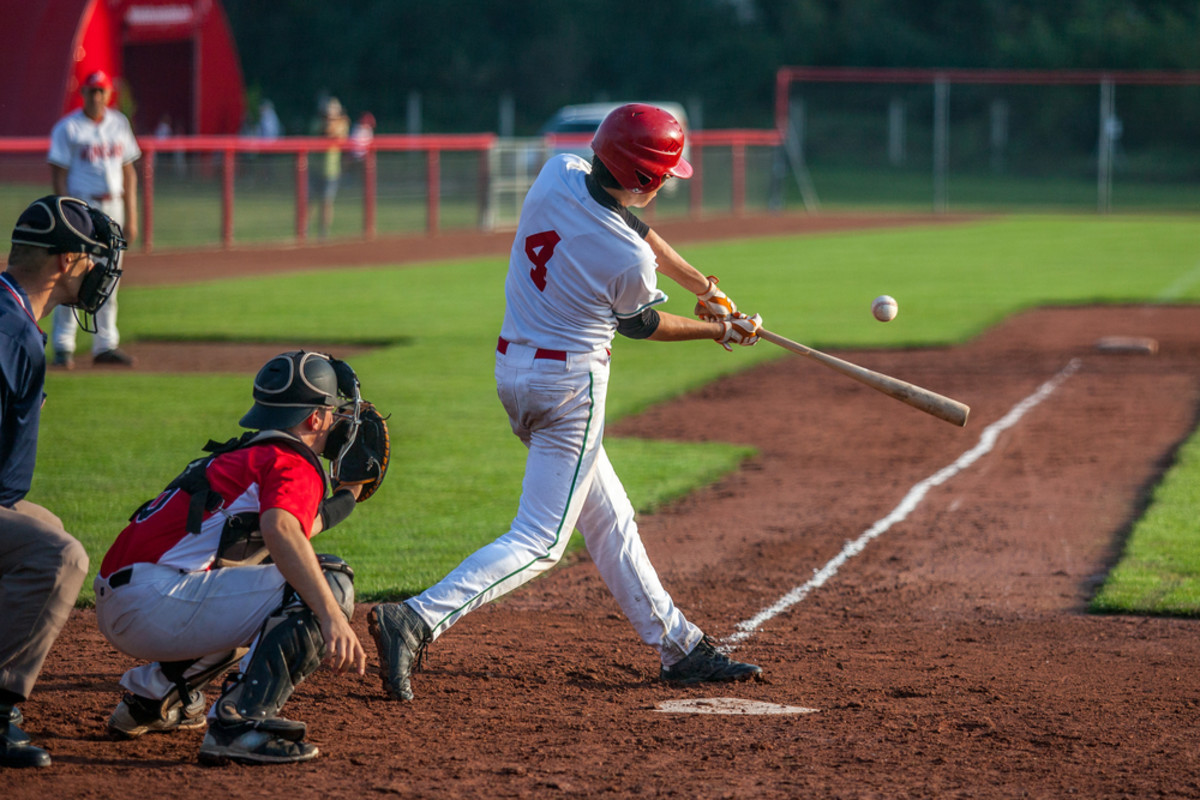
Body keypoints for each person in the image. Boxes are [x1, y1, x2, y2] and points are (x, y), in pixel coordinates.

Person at [369, 103, 765, 701]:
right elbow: (640, 324)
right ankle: (417, 618)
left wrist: (707, 291)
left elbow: (630, 224)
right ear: (646, 180)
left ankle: (678, 646)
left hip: (513, 371)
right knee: (542, 541)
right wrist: (720, 331)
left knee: (609, 519)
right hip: (568, 392)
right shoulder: (626, 261)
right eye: (662, 174)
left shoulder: (558, 173)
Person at [93, 350, 375, 765]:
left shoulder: (249, 454)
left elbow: (296, 526)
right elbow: (283, 531)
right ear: (314, 419)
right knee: (325, 582)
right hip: (157, 602)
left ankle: (152, 698)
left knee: (271, 591)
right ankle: (240, 724)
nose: (338, 420)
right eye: (333, 411)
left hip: (131, 598)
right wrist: (332, 615)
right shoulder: (291, 462)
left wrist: (347, 497)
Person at [1, 195, 126, 767]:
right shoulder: (11, 332)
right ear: (65, 261)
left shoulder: (11, 315)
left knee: (43, 527)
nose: (100, 271)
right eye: (93, 258)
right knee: (60, 557)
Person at [48, 69, 141, 369]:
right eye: (91, 91)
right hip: (82, 207)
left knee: (109, 277)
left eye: (101, 91)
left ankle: (106, 345)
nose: (96, 96)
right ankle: (63, 346)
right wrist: (66, 216)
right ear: (83, 94)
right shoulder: (68, 128)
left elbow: (129, 171)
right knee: (70, 275)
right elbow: (58, 175)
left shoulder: (119, 123)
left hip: (113, 205)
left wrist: (133, 214)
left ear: (108, 94)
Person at [313, 97, 349, 240]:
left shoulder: (342, 124)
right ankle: (303, 232)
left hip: (331, 170)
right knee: (308, 201)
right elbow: (322, 132)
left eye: (334, 109)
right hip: (314, 168)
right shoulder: (317, 122)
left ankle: (323, 233)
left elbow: (339, 136)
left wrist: (336, 123)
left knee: (326, 202)